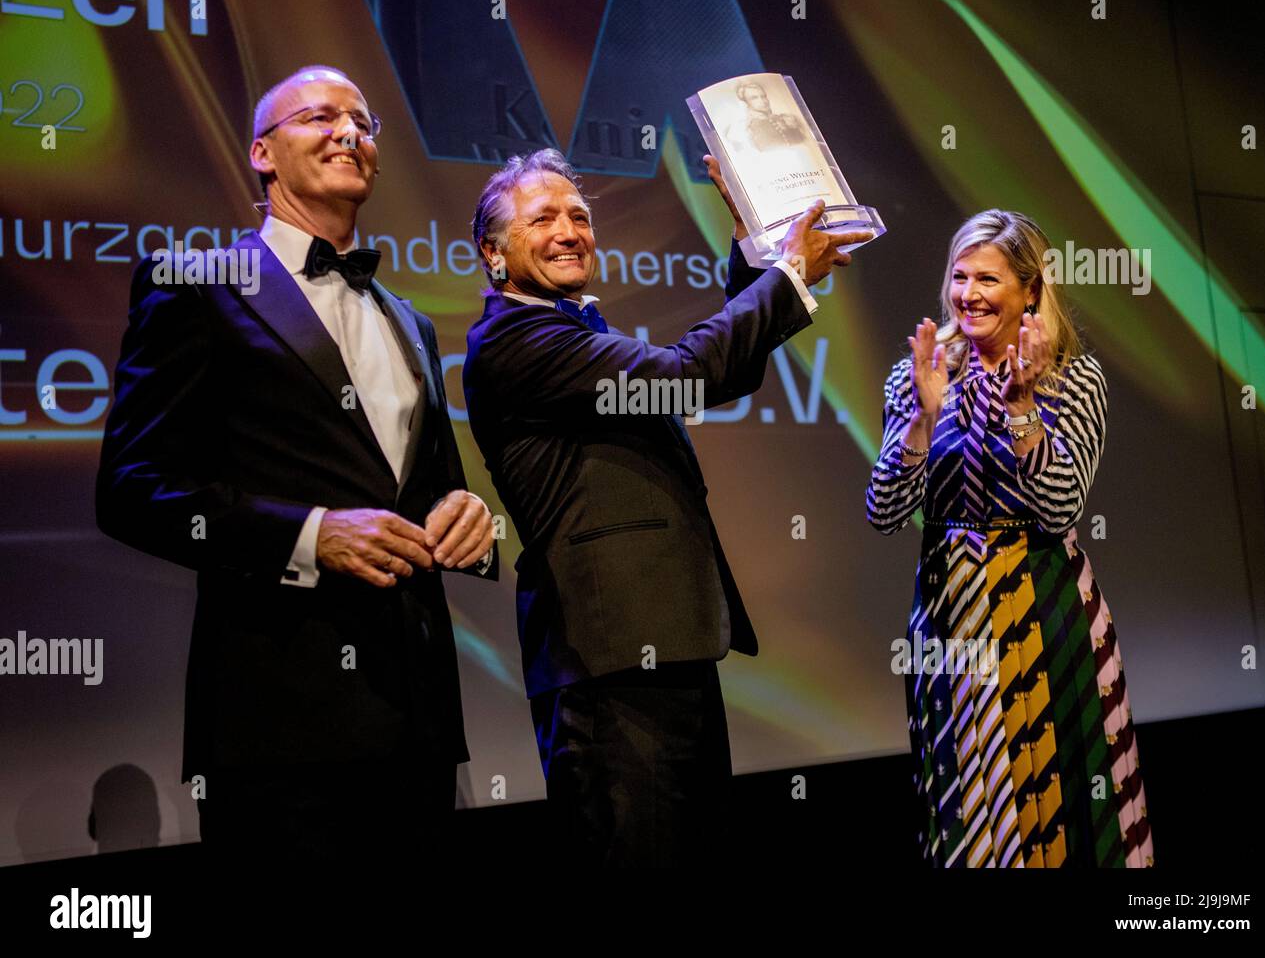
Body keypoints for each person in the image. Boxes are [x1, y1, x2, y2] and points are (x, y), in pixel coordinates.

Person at [96, 66, 497, 865]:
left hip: (417, 718)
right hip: (278, 725)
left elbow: (435, 487)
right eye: (320, 116)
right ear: (262, 154)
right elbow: (132, 489)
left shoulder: (410, 321)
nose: (351, 131)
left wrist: (477, 520)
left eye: (364, 121)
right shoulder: (196, 282)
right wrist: (312, 537)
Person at [463, 148, 871, 866]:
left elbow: (725, 374)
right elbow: (686, 374)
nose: (569, 230)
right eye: (543, 218)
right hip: (608, 666)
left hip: (660, 651)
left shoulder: (574, 331)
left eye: (579, 216)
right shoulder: (514, 341)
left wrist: (755, 240)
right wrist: (786, 274)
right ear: (492, 253)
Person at [867, 210, 1153, 868]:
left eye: (988, 278)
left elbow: (1058, 511)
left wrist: (1023, 408)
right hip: (948, 622)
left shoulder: (1073, 379)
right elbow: (884, 513)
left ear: (1029, 290)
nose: (969, 293)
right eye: (960, 276)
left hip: (1044, 615)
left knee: (1059, 801)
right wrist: (921, 422)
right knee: (967, 809)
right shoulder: (918, 375)